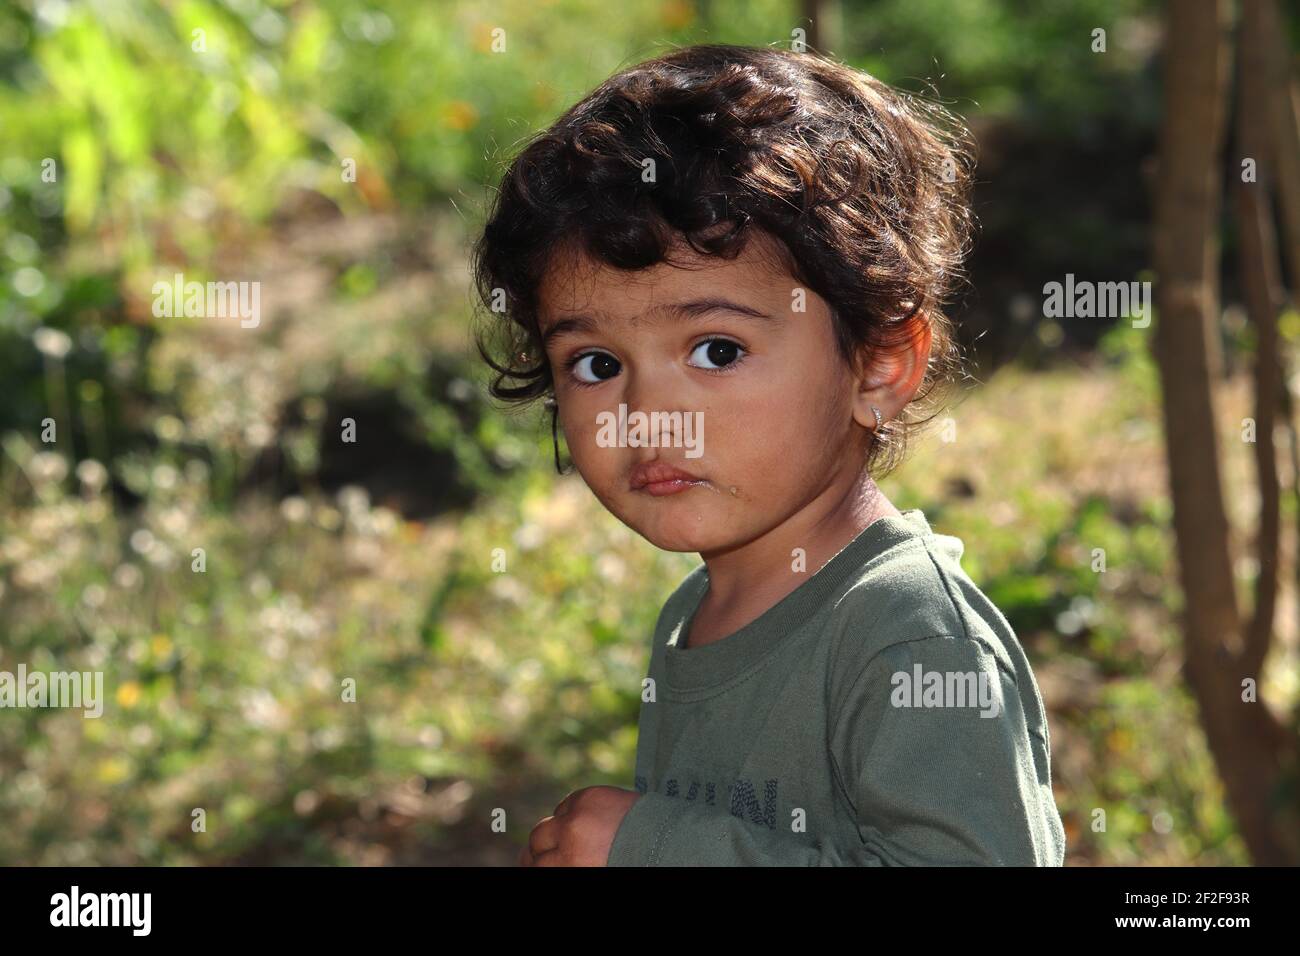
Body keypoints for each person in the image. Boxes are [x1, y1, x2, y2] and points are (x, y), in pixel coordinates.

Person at [472, 43, 1065, 866]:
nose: (649, 417)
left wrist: (657, 850)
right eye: (597, 365)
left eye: (716, 351)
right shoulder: (696, 614)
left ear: (878, 364)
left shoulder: (908, 636)